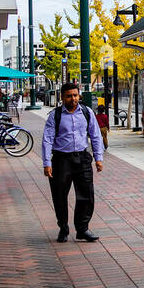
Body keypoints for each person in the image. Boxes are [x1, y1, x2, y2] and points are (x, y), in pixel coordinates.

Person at [41, 81, 104, 243]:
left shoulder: (86, 112)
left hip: (82, 158)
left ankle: (82, 229)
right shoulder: (55, 115)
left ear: (79, 95)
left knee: (86, 195)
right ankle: (63, 228)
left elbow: (95, 135)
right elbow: (47, 140)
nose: (73, 99)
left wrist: (98, 158)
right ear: (62, 97)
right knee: (59, 196)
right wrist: (47, 162)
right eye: (69, 96)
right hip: (61, 160)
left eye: (75, 95)